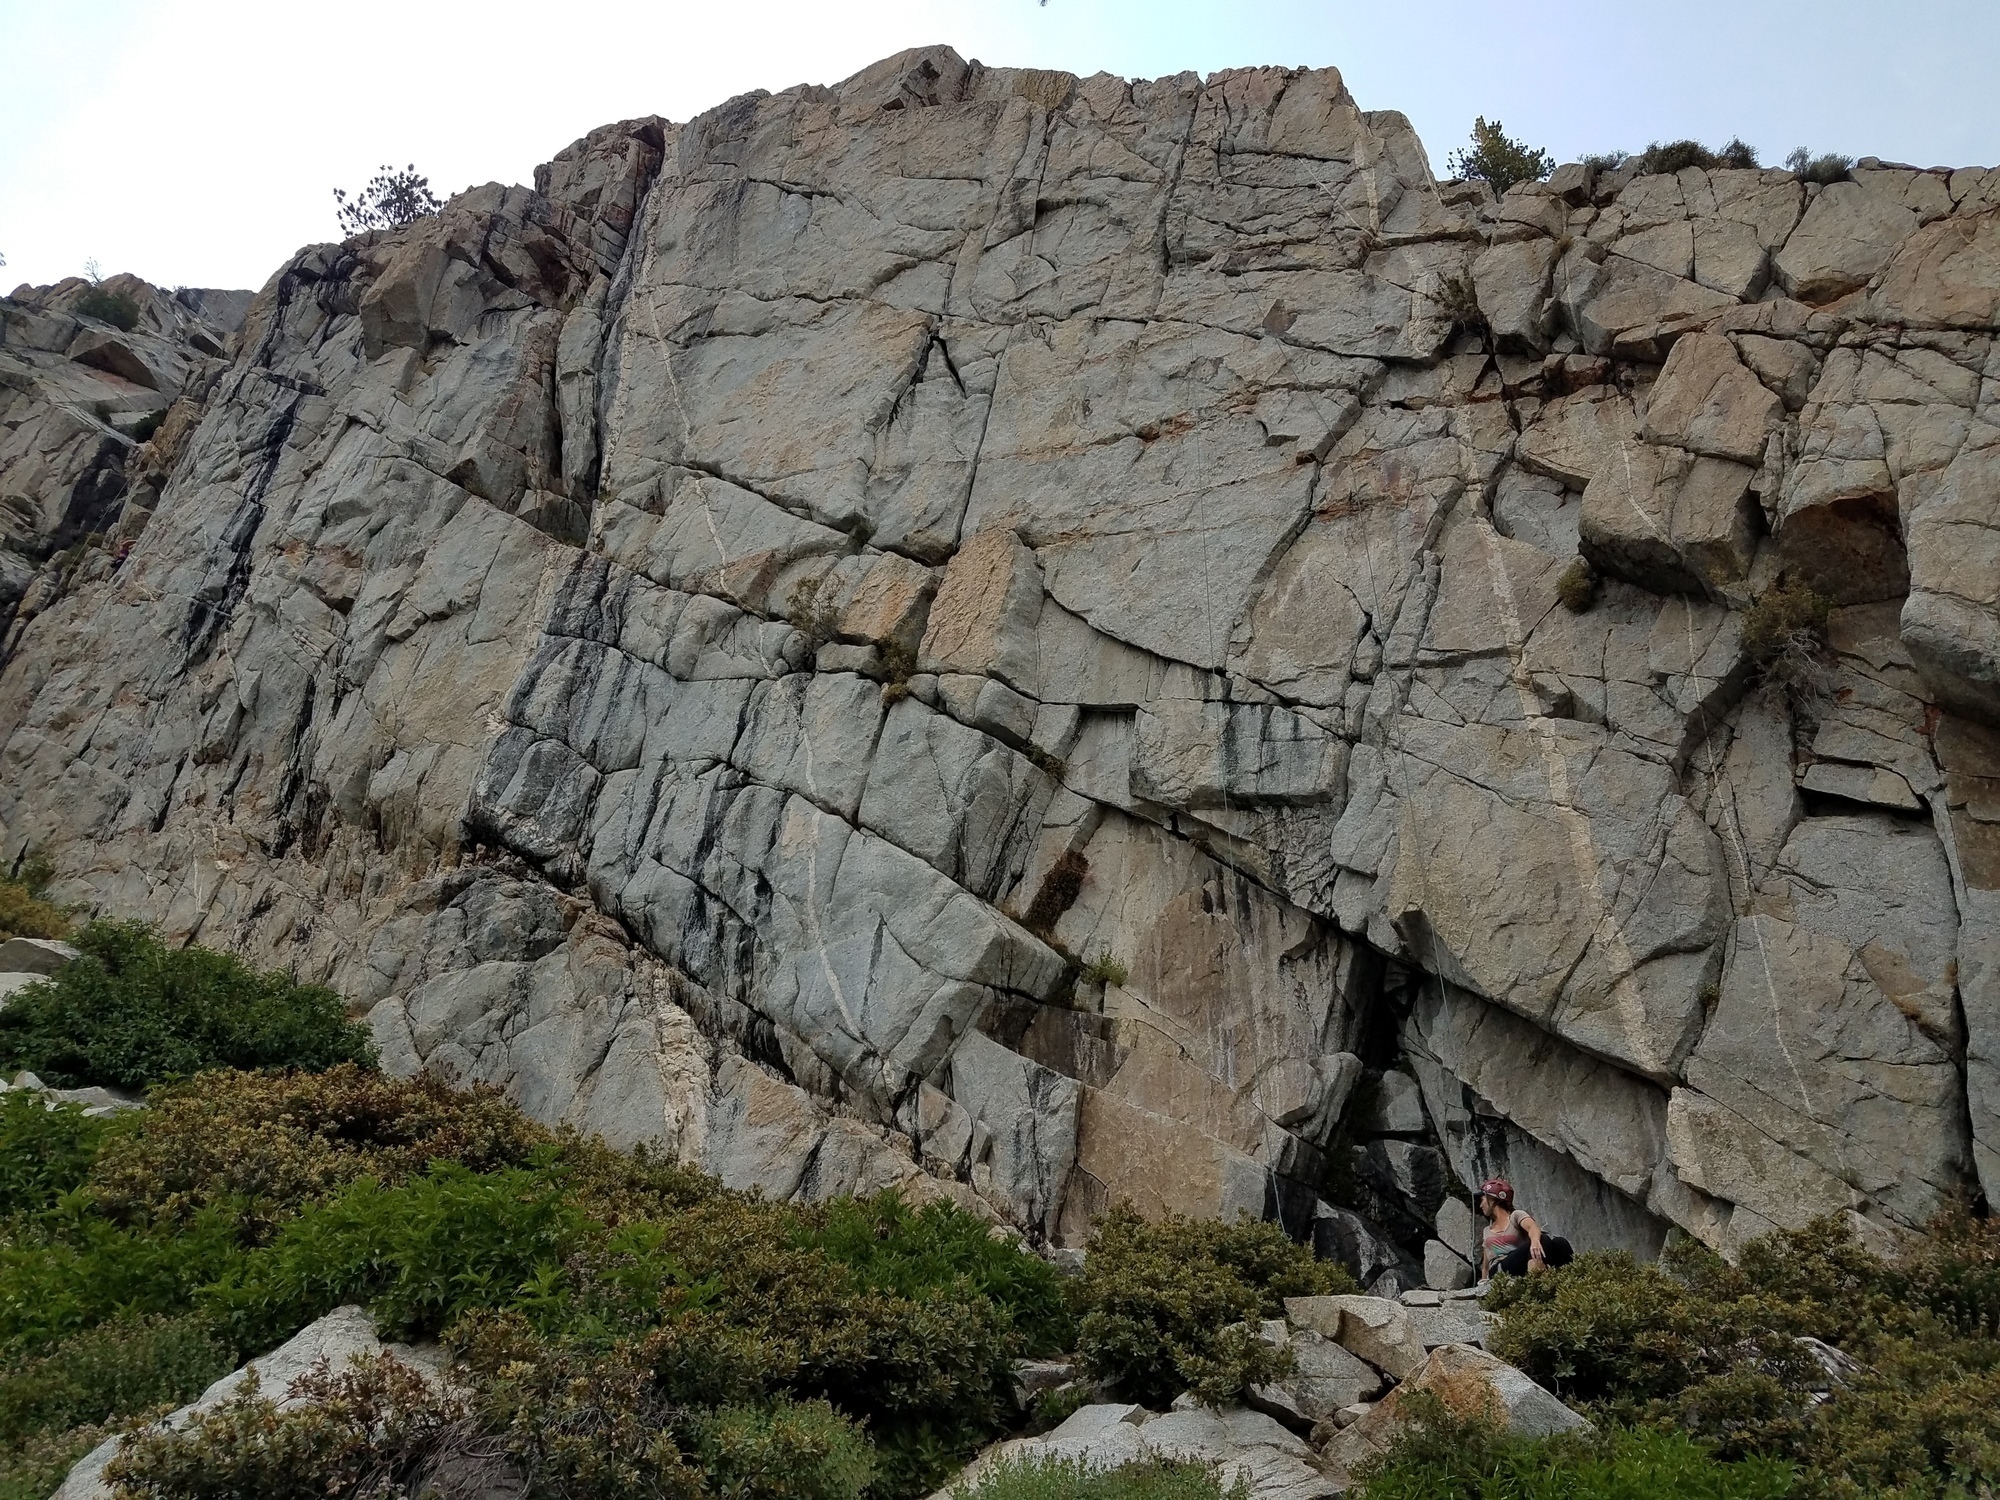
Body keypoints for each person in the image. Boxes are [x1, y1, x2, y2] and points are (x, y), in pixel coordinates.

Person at [1477, 1178, 1564, 1279]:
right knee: (1543, 1239)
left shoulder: (1515, 1216)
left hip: (1519, 1265)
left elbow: (1532, 1227)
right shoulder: (1486, 1231)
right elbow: (1485, 1266)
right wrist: (1482, 1285)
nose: (1480, 1205)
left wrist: (1535, 1242)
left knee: (1560, 1243)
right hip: (1498, 1270)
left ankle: (1567, 1280)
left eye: (1482, 1200)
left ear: (1492, 1199)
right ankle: (1535, 1282)